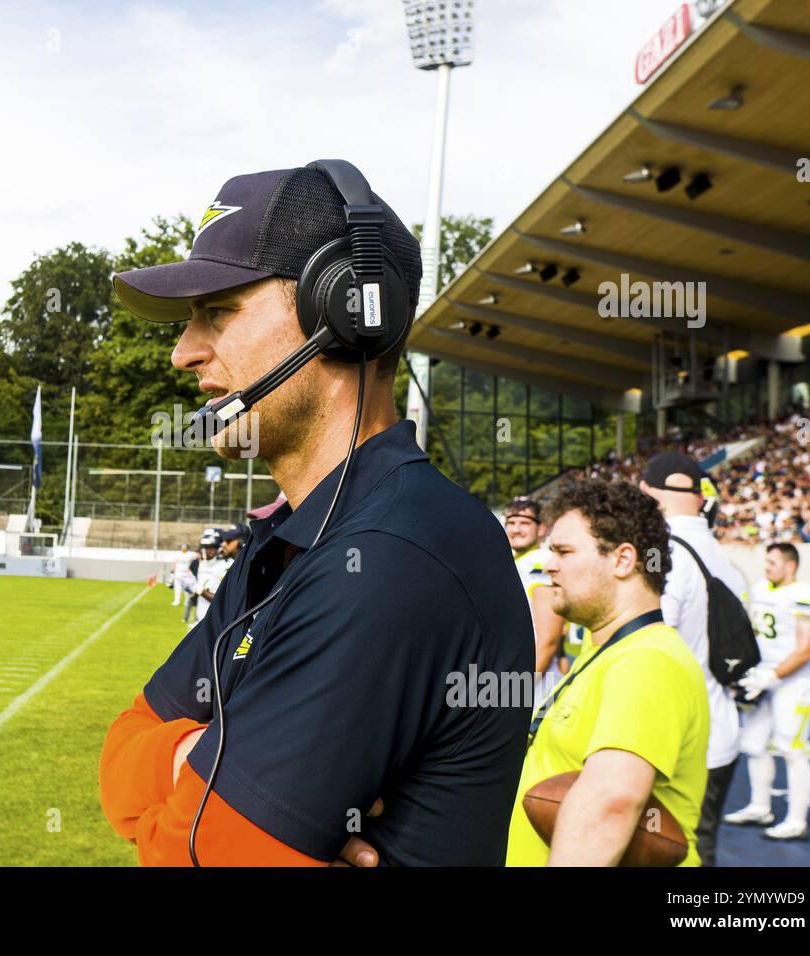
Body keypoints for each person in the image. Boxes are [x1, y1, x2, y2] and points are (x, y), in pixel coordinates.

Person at [99, 160, 532, 865]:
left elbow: (196, 853)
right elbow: (122, 751)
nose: (184, 353)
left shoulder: (393, 555)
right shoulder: (290, 537)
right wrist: (192, 757)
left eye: (219, 311)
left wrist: (198, 771)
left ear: (345, 311)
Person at [504, 479, 710, 866]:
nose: (549, 565)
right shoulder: (605, 651)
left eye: (564, 551)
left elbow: (610, 804)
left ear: (622, 560)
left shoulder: (648, 660)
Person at [639, 451, 747, 867]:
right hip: (720, 729)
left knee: (657, 855)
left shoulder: (664, 554)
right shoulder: (727, 559)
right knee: (701, 850)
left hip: (671, 740)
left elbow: (648, 646)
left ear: (648, 491)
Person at [724, 542, 810, 841]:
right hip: (762, 675)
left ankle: (797, 820)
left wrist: (771, 675)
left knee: (791, 749)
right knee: (754, 745)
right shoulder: (760, 589)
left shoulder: (808, 595)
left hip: (794, 680)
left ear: (790, 566)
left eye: (772, 562)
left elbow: (805, 649)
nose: (766, 567)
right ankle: (760, 806)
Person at [504, 496, 565, 703]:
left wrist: (514, 696)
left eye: (524, 523)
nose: (516, 529)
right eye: (511, 523)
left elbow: (548, 640)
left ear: (541, 529)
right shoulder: (518, 561)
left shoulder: (539, 563)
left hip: (538, 688)